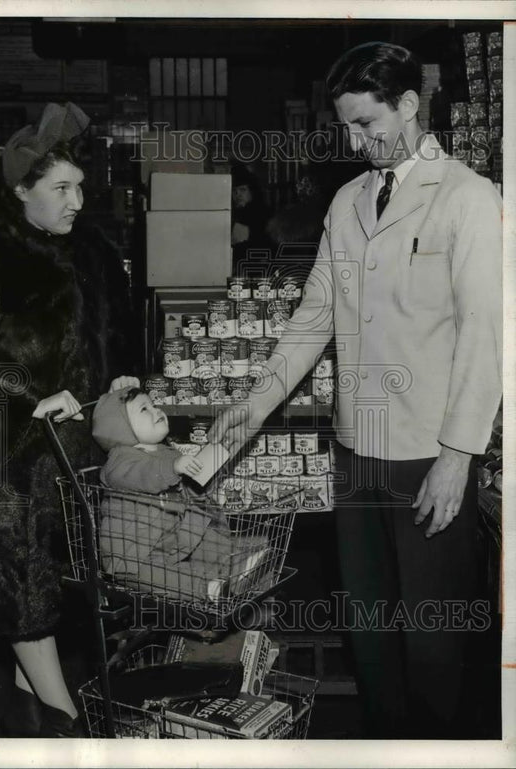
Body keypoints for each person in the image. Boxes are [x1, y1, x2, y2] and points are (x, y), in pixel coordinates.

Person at [210, 42, 502, 738]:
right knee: (371, 631)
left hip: (429, 457)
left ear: (408, 106)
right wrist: (253, 404)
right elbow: (314, 317)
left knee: (432, 639)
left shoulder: (468, 198)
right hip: (357, 452)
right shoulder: (347, 201)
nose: (354, 141)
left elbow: (485, 334)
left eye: (366, 124)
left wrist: (458, 457)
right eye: (344, 127)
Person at [0, 102, 139, 737]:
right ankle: (76, 728)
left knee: (54, 606)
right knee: (23, 597)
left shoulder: (97, 253)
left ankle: (34, 733)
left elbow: (123, 343)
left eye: (80, 185)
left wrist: (125, 380)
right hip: (4, 459)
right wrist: (27, 396)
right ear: (21, 191)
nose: (78, 199)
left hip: (80, 460)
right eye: (61, 188)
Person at [92, 387, 268, 602]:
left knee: (206, 539)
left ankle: (233, 564)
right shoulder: (119, 461)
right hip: (132, 556)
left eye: (154, 405)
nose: (157, 411)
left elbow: (188, 490)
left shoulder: (169, 452)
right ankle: (209, 588)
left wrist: (206, 473)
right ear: (120, 429)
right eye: (144, 409)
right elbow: (142, 474)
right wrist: (173, 467)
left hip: (170, 539)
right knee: (162, 578)